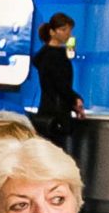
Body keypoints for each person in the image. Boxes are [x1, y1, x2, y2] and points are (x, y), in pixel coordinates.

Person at [29, 12, 82, 141]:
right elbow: (60, 84)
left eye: (69, 30)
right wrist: (75, 99)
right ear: (52, 32)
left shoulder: (48, 55)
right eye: (63, 30)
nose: (67, 34)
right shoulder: (53, 56)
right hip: (57, 112)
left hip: (48, 109)